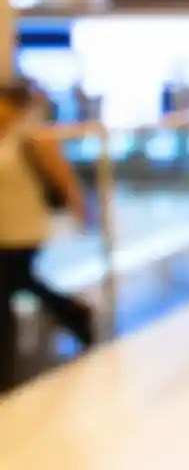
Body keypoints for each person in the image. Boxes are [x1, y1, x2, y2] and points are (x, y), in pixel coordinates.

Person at [0, 82, 95, 364]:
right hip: (4, 227)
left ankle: (8, 351)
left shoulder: (33, 136)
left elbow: (63, 178)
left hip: (25, 227)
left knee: (11, 282)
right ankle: (73, 313)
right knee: (19, 282)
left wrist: (83, 212)